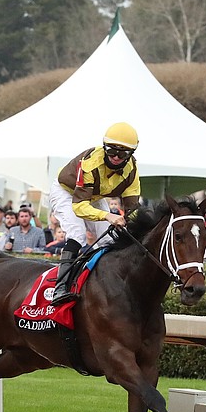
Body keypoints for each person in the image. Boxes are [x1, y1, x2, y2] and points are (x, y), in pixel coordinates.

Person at [46, 122, 141, 304]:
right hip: (68, 192)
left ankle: (106, 283)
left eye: (122, 154)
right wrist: (108, 215)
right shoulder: (90, 163)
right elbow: (79, 206)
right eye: (111, 151)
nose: (115, 157)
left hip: (93, 195)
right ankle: (60, 287)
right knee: (77, 234)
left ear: (131, 154)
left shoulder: (132, 170)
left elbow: (132, 209)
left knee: (110, 239)